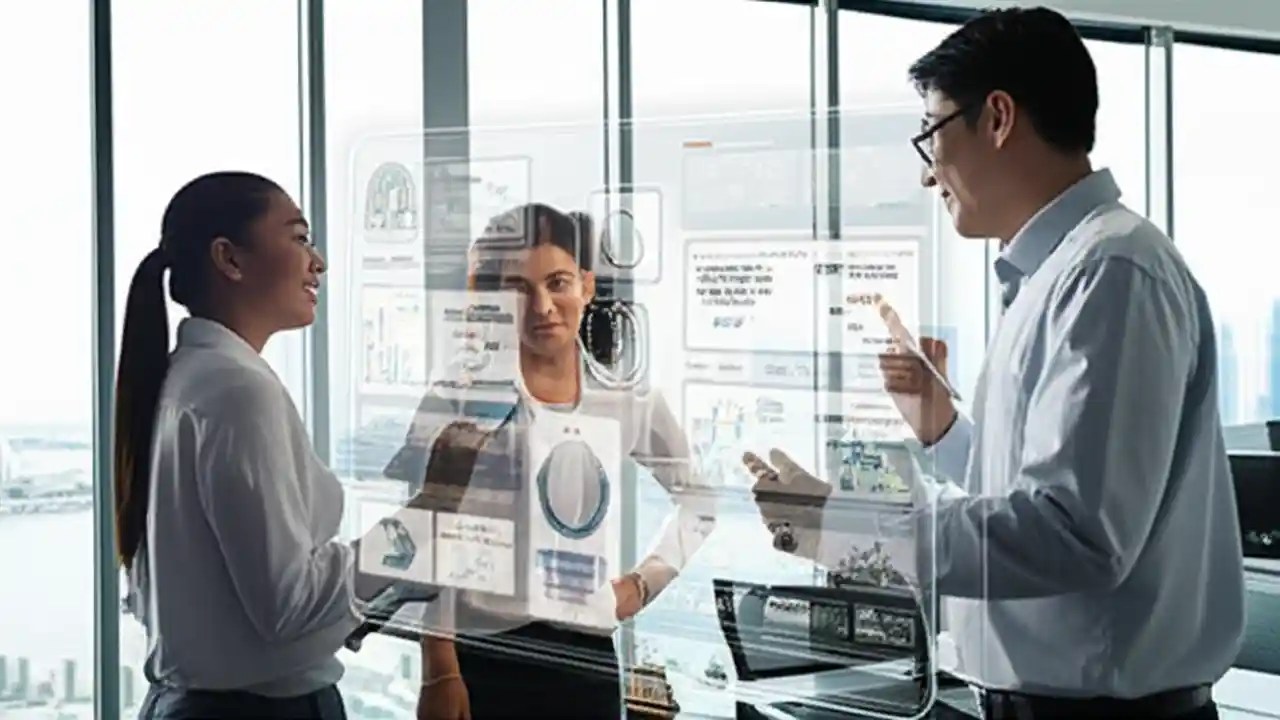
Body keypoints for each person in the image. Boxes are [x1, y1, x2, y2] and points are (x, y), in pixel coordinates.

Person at [746, 8, 1244, 720]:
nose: (928, 176)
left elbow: (1073, 534)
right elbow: (1045, 492)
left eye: (932, 134)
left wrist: (844, 524)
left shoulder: (1112, 271)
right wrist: (944, 428)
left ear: (999, 117)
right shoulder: (1062, 274)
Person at [383, 203, 714, 719]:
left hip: (586, 663)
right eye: (517, 289)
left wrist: (642, 584)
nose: (542, 307)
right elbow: (423, 534)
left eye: (557, 282)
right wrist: (439, 667)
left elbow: (699, 501)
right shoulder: (457, 395)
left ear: (586, 285)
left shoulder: (625, 397)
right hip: (479, 658)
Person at [116, 171, 373, 719]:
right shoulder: (237, 391)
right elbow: (288, 605)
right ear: (230, 260)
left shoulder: (186, 378)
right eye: (299, 238)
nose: (317, 261)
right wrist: (419, 527)